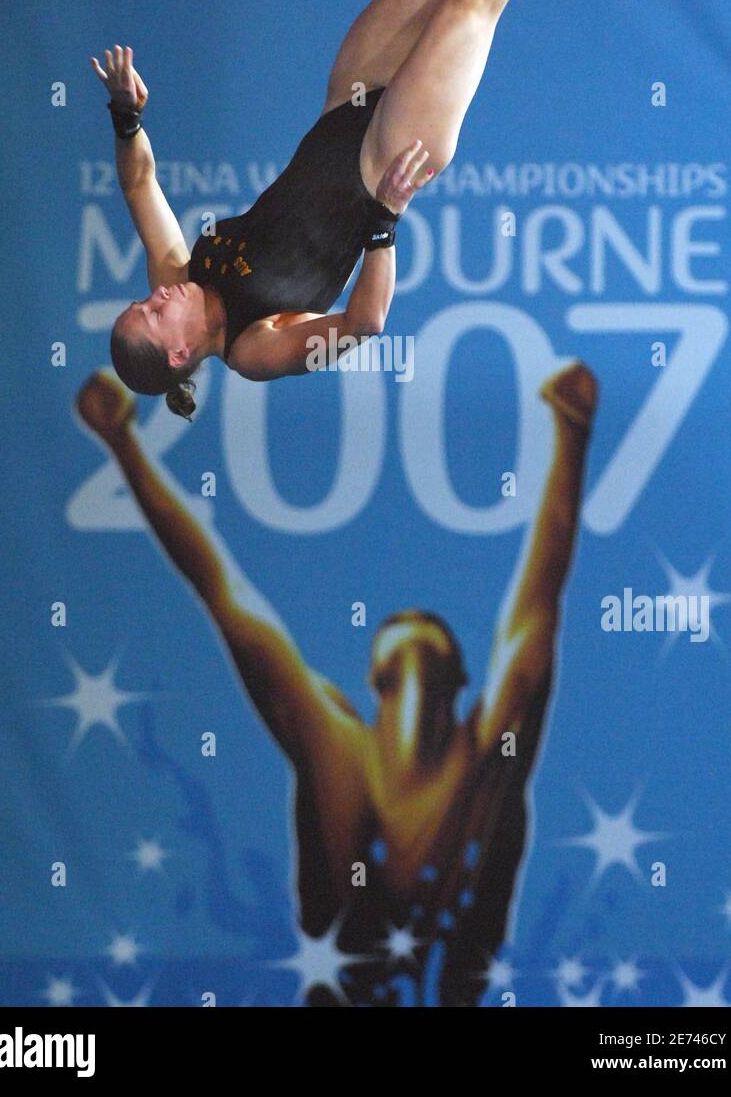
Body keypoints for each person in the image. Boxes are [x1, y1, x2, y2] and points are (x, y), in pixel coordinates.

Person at [92, 0, 625, 418]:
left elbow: (139, 181)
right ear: (177, 356)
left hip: (339, 111)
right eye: (153, 314)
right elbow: (362, 326)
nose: (155, 294)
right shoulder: (254, 350)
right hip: (384, 163)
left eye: (144, 300)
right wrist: (385, 221)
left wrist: (126, 115)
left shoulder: (180, 273)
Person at [76, 360, 598, 1006]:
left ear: (461, 677)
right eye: (399, 642)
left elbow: (535, 612)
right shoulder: (337, 750)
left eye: (424, 637)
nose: (411, 637)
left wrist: (571, 431)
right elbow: (223, 590)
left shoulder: (486, 757)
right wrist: (123, 442)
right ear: (374, 680)